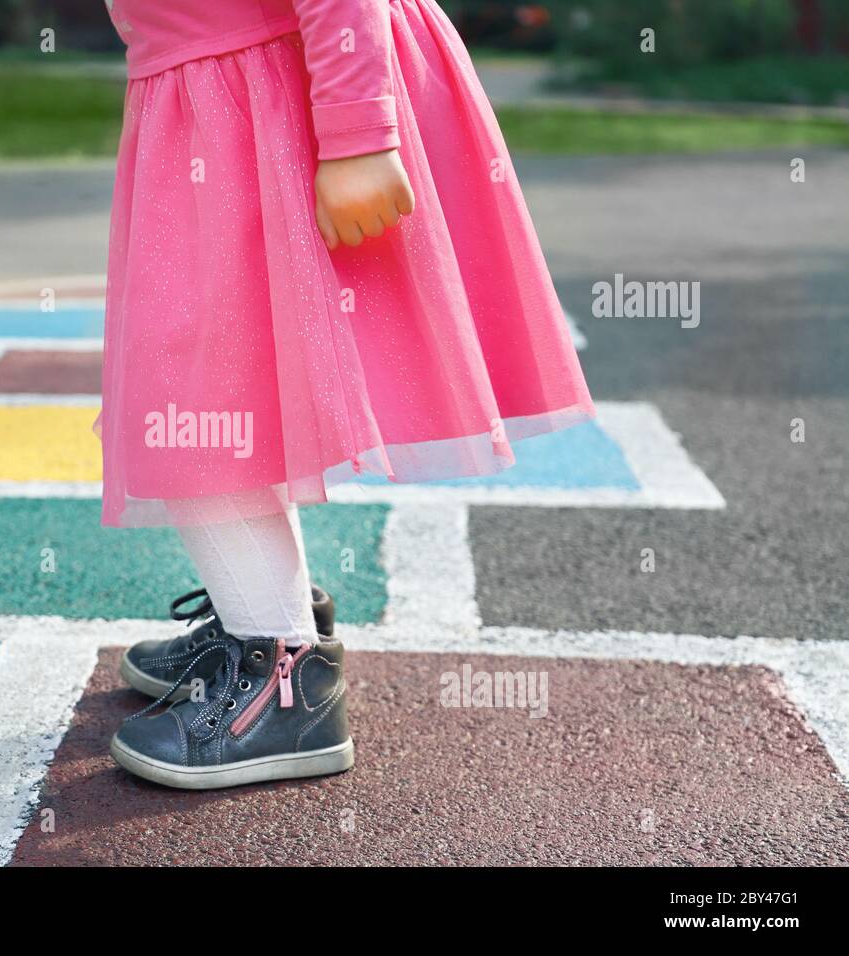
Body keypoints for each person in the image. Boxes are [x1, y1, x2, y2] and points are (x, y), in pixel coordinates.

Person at [96, 0, 594, 789]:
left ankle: (281, 679)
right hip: (224, 88)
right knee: (229, 380)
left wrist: (359, 132)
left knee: (185, 395)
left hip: (284, 85)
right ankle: (259, 611)